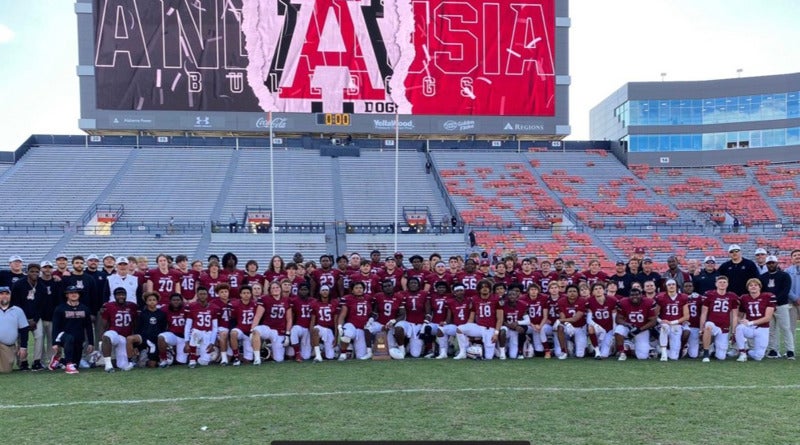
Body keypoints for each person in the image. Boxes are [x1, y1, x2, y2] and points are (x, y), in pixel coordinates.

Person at [454, 279, 503, 360]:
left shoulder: (496, 299)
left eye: (487, 287)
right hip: (479, 327)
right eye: (482, 287)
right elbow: (471, 317)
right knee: (459, 329)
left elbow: (500, 319)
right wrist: (468, 330)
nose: (484, 288)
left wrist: (496, 333)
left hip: (490, 329)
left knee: (488, 357)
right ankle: (463, 352)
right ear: (479, 289)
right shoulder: (475, 299)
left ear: (490, 289)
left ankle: (492, 349)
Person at [51, 286, 94, 374]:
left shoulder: (85, 309)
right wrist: (55, 343)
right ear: (67, 295)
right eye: (71, 293)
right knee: (69, 338)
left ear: (79, 295)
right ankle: (68, 365)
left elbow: (88, 327)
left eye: (76, 292)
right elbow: (55, 326)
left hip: (78, 338)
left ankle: (60, 360)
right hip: (63, 336)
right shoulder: (60, 308)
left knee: (76, 364)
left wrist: (91, 343)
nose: (74, 294)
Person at [10, 263, 46, 371]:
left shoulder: (41, 286)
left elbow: (41, 306)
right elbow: (15, 304)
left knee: (39, 337)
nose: (35, 273)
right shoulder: (18, 285)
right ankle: (23, 362)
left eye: (37, 271)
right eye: (32, 271)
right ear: (27, 272)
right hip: (21, 317)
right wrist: (24, 320)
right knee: (21, 339)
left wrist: (34, 320)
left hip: (35, 318)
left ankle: (37, 361)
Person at [251, 281, 293, 364]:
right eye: (273, 288)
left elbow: (289, 319)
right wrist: (251, 330)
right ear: (270, 290)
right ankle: (257, 358)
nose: (275, 289)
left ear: (280, 289)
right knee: (256, 331)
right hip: (268, 328)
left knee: (279, 359)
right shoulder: (264, 299)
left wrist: (287, 334)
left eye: (277, 287)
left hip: (280, 331)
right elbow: (258, 316)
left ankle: (269, 347)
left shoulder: (286, 300)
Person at [734, 278, 776, 362]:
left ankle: (747, 350)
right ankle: (742, 353)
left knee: (758, 357)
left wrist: (750, 322)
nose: (753, 287)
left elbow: (768, 317)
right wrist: (741, 321)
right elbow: (739, 316)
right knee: (739, 328)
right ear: (748, 288)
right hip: (749, 328)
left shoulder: (768, 296)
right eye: (751, 285)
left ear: (760, 287)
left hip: (762, 328)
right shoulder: (744, 298)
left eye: (755, 285)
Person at [699, 275, 739, 362]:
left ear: (727, 284)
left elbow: (734, 316)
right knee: (708, 326)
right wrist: (701, 329)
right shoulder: (709, 294)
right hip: (712, 324)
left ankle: (714, 349)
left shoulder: (732, 296)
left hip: (724, 327)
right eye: (720, 282)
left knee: (721, 357)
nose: (722, 284)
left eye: (724, 282)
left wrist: (733, 332)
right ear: (716, 284)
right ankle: (706, 353)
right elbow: (703, 313)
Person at [762, 255, 793, 359]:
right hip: (768, 307)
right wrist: (769, 302)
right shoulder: (763, 277)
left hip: (782, 305)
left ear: (777, 263)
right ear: (766, 264)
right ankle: (773, 350)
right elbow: (762, 292)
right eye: (769, 263)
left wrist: (774, 300)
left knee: (785, 328)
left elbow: (786, 290)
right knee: (771, 329)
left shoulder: (784, 275)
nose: (771, 264)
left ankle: (790, 350)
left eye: (773, 262)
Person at [100, 287, 139, 372]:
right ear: (114, 296)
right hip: (114, 333)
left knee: (124, 366)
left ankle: (123, 363)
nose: (121, 296)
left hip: (124, 338)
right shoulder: (109, 306)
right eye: (118, 295)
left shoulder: (132, 306)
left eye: (123, 294)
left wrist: (134, 343)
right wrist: (101, 337)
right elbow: (104, 325)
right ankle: (108, 365)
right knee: (106, 336)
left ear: (126, 295)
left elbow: (135, 325)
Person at [614, 288, 658, 361]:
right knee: (618, 330)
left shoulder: (648, 302)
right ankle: (622, 352)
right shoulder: (623, 302)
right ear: (629, 296)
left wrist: (639, 330)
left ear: (641, 295)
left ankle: (631, 347)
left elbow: (653, 321)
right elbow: (618, 319)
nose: (635, 296)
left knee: (642, 356)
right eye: (632, 295)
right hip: (629, 327)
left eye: (637, 295)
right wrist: (628, 324)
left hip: (643, 328)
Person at [127, 292, 166, 368]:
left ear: (157, 301)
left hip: (155, 339)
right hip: (143, 337)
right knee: (129, 338)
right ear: (146, 302)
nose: (152, 301)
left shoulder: (161, 314)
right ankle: (130, 361)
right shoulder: (142, 314)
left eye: (154, 300)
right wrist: (135, 345)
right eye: (150, 300)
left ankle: (146, 358)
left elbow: (163, 328)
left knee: (152, 365)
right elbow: (137, 328)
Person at [184, 286, 220, 368]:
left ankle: (196, 354)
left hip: (208, 333)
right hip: (197, 331)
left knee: (204, 362)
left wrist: (212, 342)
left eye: (204, 294)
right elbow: (188, 325)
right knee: (195, 332)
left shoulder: (213, 307)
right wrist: (186, 341)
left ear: (207, 295)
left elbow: (215, 327)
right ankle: (192, 359)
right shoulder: (192, 306)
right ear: (197, 295)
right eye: (200, 294)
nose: (202, 296)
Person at [336, 281, 373, 361]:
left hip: (362, 328)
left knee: (360, 356)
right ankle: (343, 353)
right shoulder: (348, 298)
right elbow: (343, 313)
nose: (359, 290)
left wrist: (371, 318)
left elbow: (372, 312)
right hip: (351, 325)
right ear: (352, 290)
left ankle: (351, 346)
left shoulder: (368, 298)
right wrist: (339, 325)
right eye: (356, 288)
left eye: (360, 288)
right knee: (346, 334)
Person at [654, 279, 689, 361]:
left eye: (673, 284)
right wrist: (661, 321)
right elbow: (654, 315)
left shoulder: (683, 297)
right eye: (669, 285)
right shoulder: (661, 297)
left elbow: (686, 316)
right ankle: (663, 353)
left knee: (674, 357)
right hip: (664, 324)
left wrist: (672, 322)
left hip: (676, 325)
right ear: (666, 287)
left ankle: (659, 349)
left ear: (676, 286)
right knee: (664, 327)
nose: (671, 286)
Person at [0, 286, 29, 373]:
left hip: (8, 346)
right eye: (1, 294)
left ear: (10, 296)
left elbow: (24, 330)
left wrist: (23, 347)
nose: (4, 296)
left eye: (7, 294)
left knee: (5, 370)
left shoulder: (17, 310)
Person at [555, 284, 588, 360]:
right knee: (560, 327)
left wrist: (560, 320)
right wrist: (565, 322)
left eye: (574, 291)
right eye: (570, 291)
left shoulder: (582, 301)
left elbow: (575, 319)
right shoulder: (561, 301)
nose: (572, 293)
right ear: (566, 293)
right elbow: (562, 316)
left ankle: (574, 343)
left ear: (578, 293)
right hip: (567, 326)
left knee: (580, 355)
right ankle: (564, 351)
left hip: (579, 327)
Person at [586, 282, 617, 360]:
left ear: (604, 290)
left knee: (605, 354)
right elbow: (588, 319)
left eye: (600, 288)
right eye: (595, 289)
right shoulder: (589, 301)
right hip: (598, 328)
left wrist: (614, 331)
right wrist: (597, 326)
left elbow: (614, 317)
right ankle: (597, 352)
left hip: (608, 328)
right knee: (590, 327)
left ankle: (611, 347)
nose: (598, 290)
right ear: (592, 292)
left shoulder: (612, 299)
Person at [229, 285, 258, 366]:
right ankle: (236, 357)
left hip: (251, 332)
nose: (246, 295)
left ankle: (243, 356)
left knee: (248, 361)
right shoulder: (235, 304)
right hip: (240, 329)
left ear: (251, 294)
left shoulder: (255, 304)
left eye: (248, 293)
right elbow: (232, 320)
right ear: (240, 294)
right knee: (233, 333)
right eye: (244, 293)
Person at [157, 293, 188, 367]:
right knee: (161, 337)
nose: (176, 302)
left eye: (178, 300)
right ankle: (164, 359)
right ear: (170, 301)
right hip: (173, 335)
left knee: (181, 362)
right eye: (174, 300)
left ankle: (173, 352)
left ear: (181, 301)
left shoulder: (187, 309)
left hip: (184, 337)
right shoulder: (164, 309)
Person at [310, 284, 339, 362]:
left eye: (326, 290)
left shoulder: (334, 303)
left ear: (329, 292)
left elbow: (336, 322)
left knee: (330, 356)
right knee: (315, 329)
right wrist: (311, 335)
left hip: (329, 330)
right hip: (320, 327)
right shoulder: (315, 303)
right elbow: (312, 321)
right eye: (323, 290)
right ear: (320, 292)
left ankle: (322, 350)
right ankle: (318, 355)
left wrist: (336, 337)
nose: (325, 292)